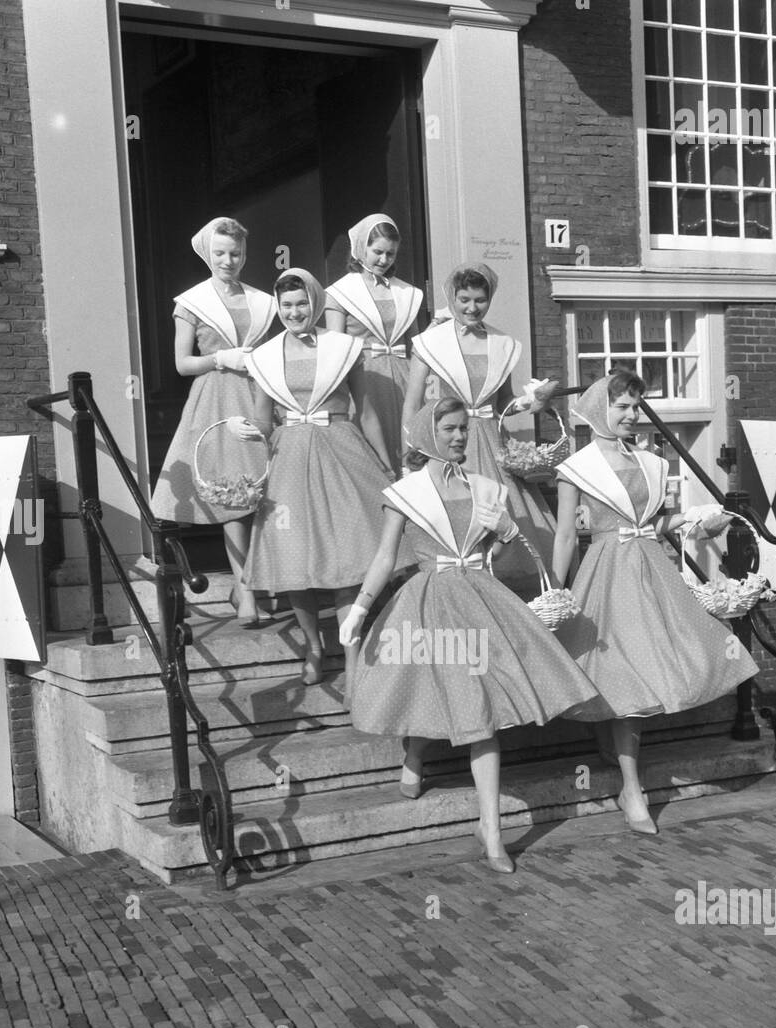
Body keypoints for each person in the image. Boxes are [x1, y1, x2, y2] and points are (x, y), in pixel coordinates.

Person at [340, 397, 604, 874]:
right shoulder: (406, 492)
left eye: (463, 428)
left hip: (482, 598)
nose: (460, 437)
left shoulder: (486, 488)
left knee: (480, 714)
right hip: (427, 602)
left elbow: (501, 555)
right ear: (427, 435)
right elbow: (384, 557)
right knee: (432, 692)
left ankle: (492, 831)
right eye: (449, 429)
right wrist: (360, 607)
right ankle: (416, 753)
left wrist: (503, 534)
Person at [551, 370, 760, 835]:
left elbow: (655, 523)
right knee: (623, 677)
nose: (631, 414)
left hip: (650, 570)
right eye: (622, 406)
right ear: (599, 410)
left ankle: (623, 772)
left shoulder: (650, 461)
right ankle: (632, 786)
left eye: (636, 406)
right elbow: (566, 534)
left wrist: (696, 519)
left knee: (644, 674)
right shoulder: (577, 467)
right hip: (606, 573)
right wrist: (557, 588)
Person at [228, 268, 396, 691]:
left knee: (348, 558)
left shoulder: (343, 348)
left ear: (315, 303)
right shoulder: (265, 357)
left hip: (340, 449)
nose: (294, 312)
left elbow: (368, 413)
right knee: (295, 559)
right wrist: (250, 429)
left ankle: (353, 653)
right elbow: (265, 422)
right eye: (286, 306)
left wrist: (387, 465)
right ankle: (313, 647)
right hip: (289, 458)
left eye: (301, 303)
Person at [150, 217, 277, 626]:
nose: (228, 260)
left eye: (236, 253)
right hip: (217, 400)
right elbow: (182, 364)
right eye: (220, 252)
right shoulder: (191, 302)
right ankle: (248, 590)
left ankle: (251, 585)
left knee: (263, 495)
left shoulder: (261, 300)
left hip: (258, 394)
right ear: (207, 252)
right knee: (232, 496)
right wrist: (221, 357)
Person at [402, 262, 557, 595]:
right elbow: (412, 402)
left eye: (480, 300)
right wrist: (411, 451)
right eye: (464, 300)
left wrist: (533, 403)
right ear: (452, 297)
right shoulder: (432, 341)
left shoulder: (501, 343)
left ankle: (501, 600)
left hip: (489, 440)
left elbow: (503, 406)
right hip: (450, 440)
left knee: (503, 523)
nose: (472, 308)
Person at [324, 214, 424, 472]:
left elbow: (414, 343)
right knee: (370, 452)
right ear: (360, 249)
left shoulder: (407, 293)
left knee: (408, 443)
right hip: (364, 378)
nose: (383, 260)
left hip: (404, 378)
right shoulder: (340, 293)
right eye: (377, 252)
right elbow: (336, 346)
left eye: (390, 254)